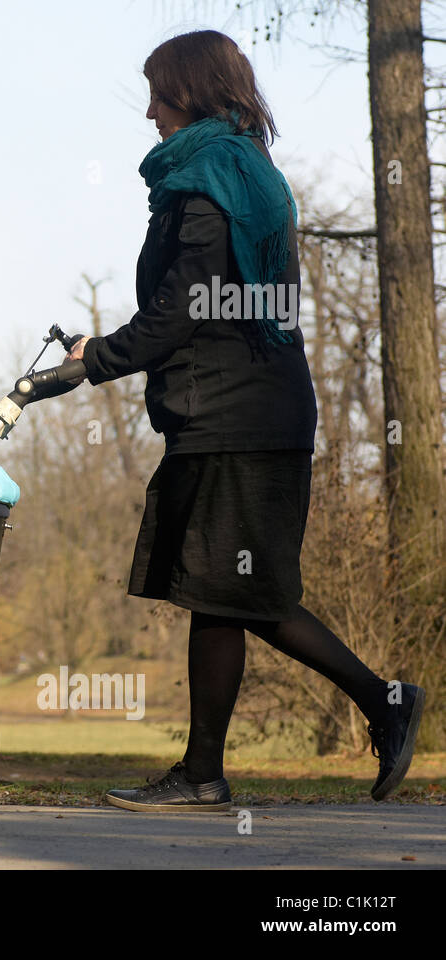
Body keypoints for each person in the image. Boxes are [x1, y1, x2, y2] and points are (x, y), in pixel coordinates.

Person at [67, 29, 425, 812]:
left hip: (234, 417)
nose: (152, 112)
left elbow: (180, 310)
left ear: (190, 92)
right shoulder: (245, 170)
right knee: (231, 593)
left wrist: (92, 363)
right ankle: (218, 767)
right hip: (251, 411)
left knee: (232, 593)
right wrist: (106, 351)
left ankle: (227, 765)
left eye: (159, 94)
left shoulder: (208, 180)